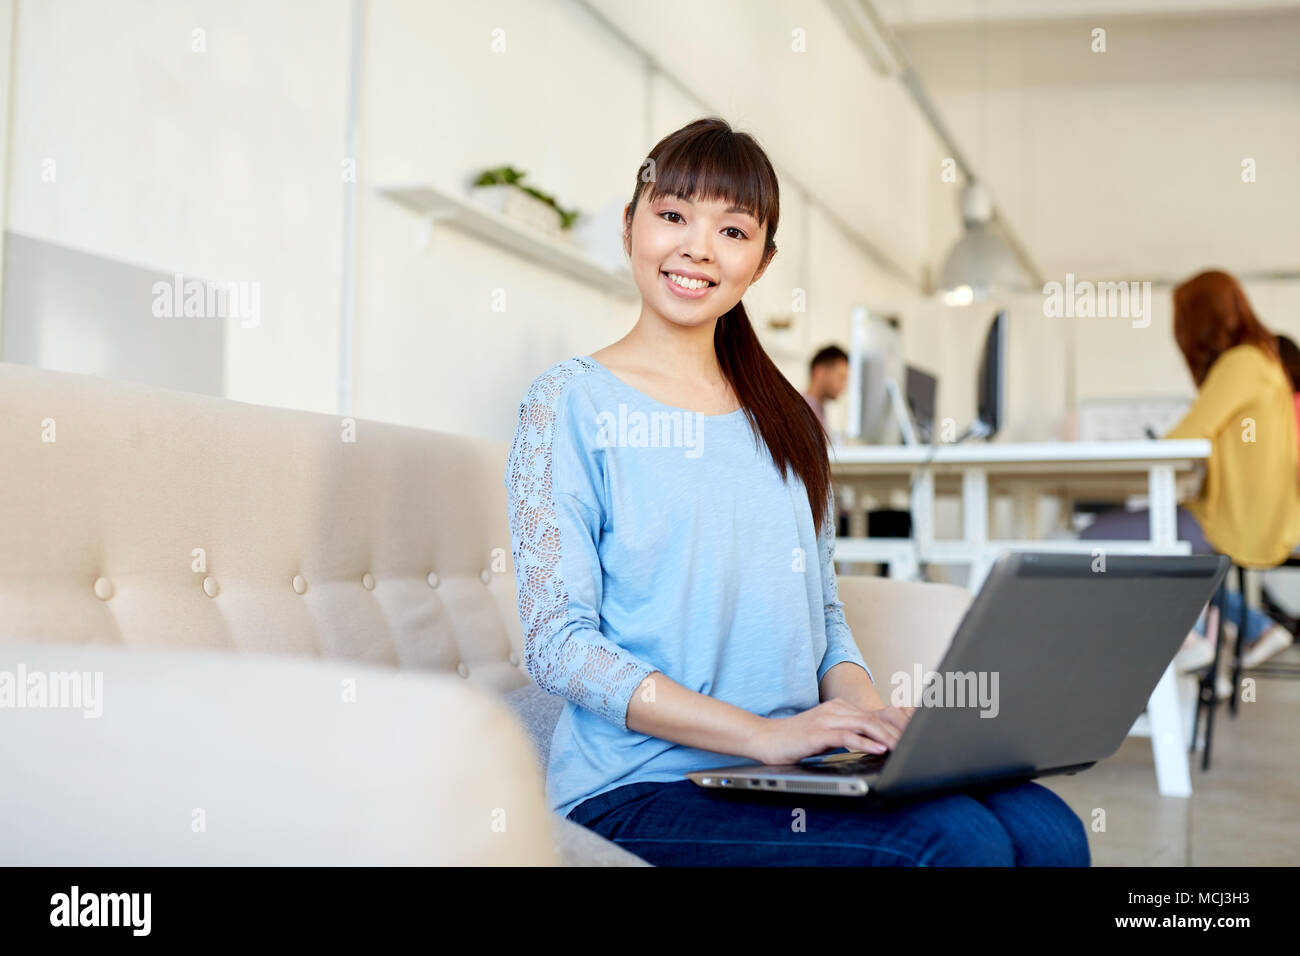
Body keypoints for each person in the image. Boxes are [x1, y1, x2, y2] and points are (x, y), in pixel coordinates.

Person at [504, 117, 1088, 866]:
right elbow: (559, 647)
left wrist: (875, 725)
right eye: (673, 215)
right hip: (641, 786)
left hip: (789, 771)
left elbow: (826, 619)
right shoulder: (567, 404)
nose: (697, 249)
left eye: (733, 231)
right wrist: (765, 735)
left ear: (763, 260)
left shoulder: (788, 424)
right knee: (953, 842)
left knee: (1049, 830)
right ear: (630, 227)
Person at [1081, 271, 1299, 690]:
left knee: (1094, 536)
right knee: (1161, 543)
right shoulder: (1265, 362)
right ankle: (1203, 638)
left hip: (1236, 520)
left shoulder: (1241, 364)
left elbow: (1188, 435)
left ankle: (1184, 637)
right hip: (1260, 515)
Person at [803, 345, 849, 435]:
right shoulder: (802, 410)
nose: (844, 386)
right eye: (841, 377)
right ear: (819, 372)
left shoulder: (819, 410)